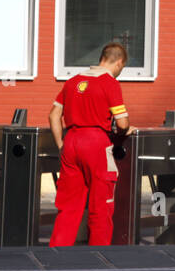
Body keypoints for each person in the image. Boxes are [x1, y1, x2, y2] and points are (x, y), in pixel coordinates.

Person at [48, 42, 135, 246]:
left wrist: (61, 144)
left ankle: (56, 254)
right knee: (101, 205)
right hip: (96, 143)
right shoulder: (110, 83)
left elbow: (54, 115)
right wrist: (124, 130)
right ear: (119, 62)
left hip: (71, 142)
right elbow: (122, 123)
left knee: (68, 206)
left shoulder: (72, 81)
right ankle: (98, 255)